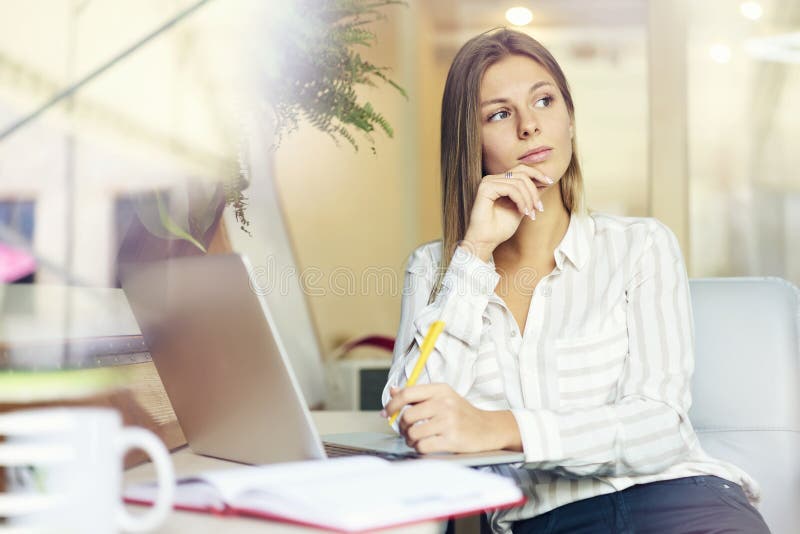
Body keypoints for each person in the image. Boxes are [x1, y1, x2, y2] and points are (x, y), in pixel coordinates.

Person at [381, 28, 770, 534]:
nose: (529, 126)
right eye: (499, 113)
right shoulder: (436, 268)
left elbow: (661, 427)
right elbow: (408, 413)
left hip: (679, 499)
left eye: (544, 100)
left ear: (569, 119)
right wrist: (474, 255)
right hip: (545, 519)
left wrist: (499, 428)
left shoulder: (641, 247)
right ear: (469, 143)